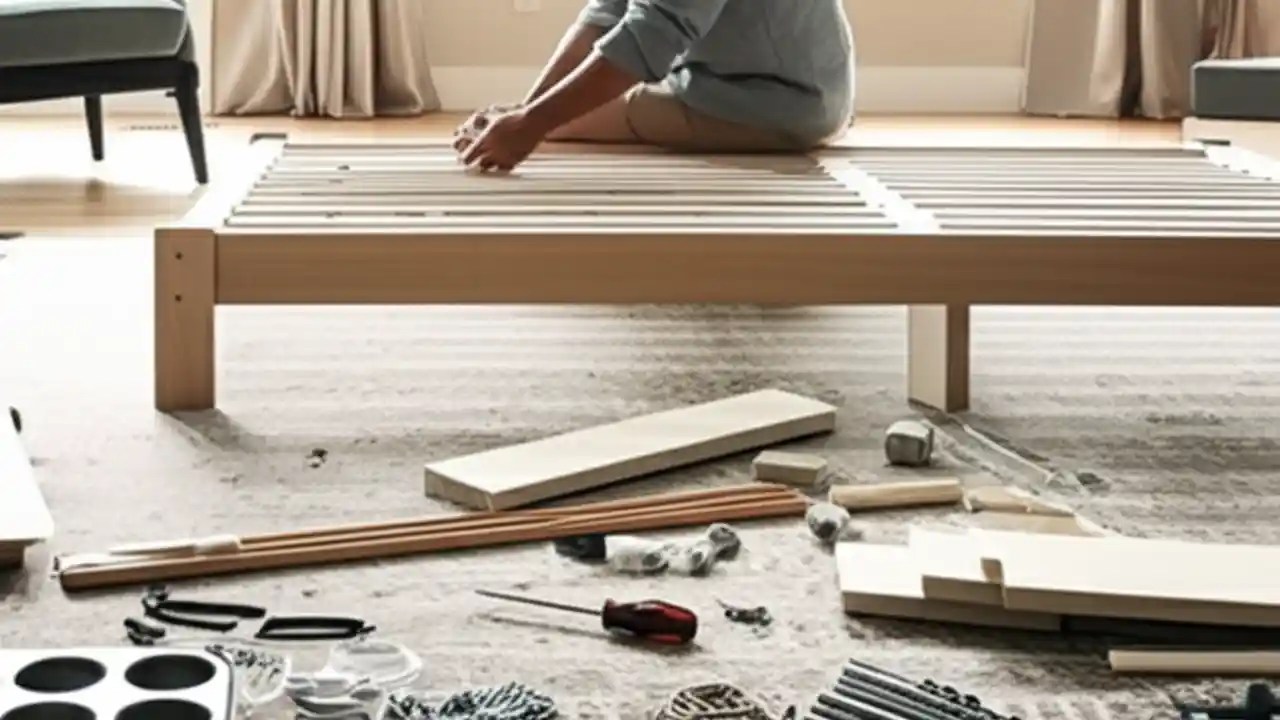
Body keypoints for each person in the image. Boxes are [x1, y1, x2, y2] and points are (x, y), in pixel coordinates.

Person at [454, 0, 856, 172]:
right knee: (547, 114)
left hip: (777, 100)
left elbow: (647, 37)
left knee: (561, 120)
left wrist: (532, 124)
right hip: (783, 85)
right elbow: (608, 12)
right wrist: (527, 108)